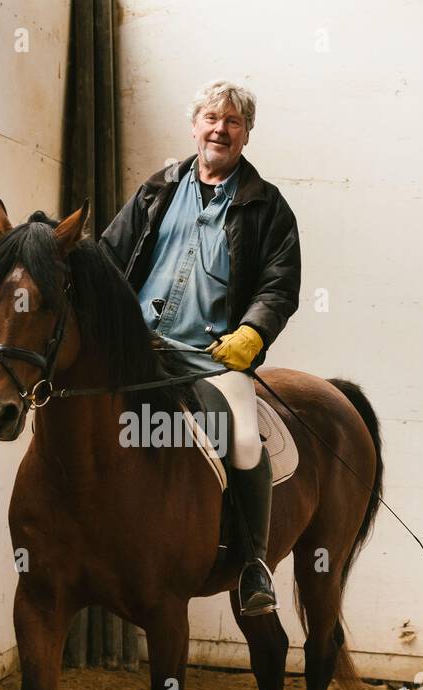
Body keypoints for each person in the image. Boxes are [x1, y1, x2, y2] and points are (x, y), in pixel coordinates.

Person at [100, 79, 301, 615]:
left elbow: (280, 285)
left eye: (233, 122)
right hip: (139, 350)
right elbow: (107, 258)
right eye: (212, 118)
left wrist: (252, 333)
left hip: (214, 357)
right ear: (194, 127)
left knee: (241, 438)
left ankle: (255, 566)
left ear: (247, 135)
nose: (221, 129)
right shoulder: (155, 191)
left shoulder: (268, 207)